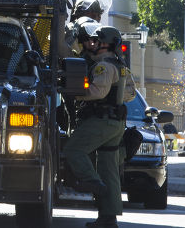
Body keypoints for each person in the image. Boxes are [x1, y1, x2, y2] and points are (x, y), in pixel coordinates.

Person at [63, 26, 136, 228]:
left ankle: (94, 184)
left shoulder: (103, 67)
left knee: (73, 150)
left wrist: (74, 92)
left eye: (98, 41)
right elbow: (131, 93)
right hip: (117, 124)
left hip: (101, 121)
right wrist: (117, 100)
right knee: (109, 169)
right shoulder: (121, 66)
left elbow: (96, 92)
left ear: (107, 44)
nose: (93, 45)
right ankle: (108, 218)